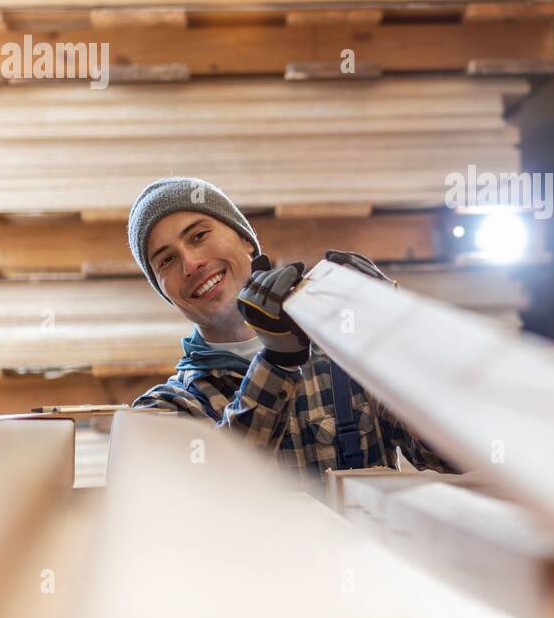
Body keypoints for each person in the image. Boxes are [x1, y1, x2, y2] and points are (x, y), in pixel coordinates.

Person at [125, 176, 453, 484]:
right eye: (166, 261)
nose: (191, 263)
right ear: (164, 291)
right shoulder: (164, 411)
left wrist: (395, 338)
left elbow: (453, 457)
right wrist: (276, 363)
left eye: (198, 236)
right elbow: (204, 500)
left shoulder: (346, 362)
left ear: (246, 241)